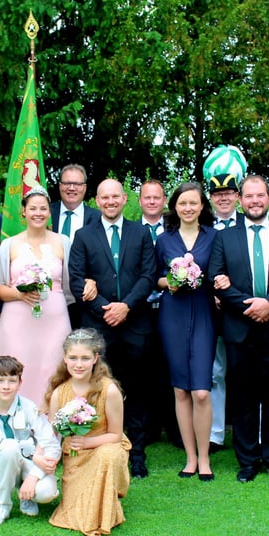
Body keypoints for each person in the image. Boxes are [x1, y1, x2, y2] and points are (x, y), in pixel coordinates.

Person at [209, 175, 269, 483]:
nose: (254, 201)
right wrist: (251, 306)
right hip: (240, 328)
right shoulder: (224, 237)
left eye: (259, 195)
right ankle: (248, 460)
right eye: (248, 196)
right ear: (240, 200)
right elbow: (217, 276)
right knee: (243, 398)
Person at [68, 179, 157, 478]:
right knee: (100, 392)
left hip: (135, 325)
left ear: (124, 199)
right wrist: (106, 308)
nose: (110, 202)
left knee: (137, 391)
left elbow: (148, 275)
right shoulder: (83, 236)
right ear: (97, 200)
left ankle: (138, 455)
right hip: (99, 327)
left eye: (115, 197)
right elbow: (77, 279)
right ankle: (99, 452)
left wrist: (126, 306)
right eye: (104, 197)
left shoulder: (141, 233)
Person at [0, 187, 79, 408]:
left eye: (43, 208)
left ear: (49, 212)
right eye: (33, 208)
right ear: (24, 211)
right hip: (17, 320)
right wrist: (19, 294)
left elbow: (72, 284)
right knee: (13, 369)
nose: (38, 213)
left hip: (54, 320)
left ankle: (54, 426)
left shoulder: (63, 242)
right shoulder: (9, 245)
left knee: (52, 368)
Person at [155, 182, 218, 480]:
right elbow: (155, 278)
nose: (188, 208)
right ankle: (190, 458)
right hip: (173, 314)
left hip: (204, 312)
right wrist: (171, 280)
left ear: (202, 206)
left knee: (202, 391)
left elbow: (220, 273)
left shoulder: (214, 238)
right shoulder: (164, 240)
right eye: (183, 203)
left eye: (194, 203)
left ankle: (205, 458)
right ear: (175, 207)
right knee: (181, 389)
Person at [47, 329, 131, 536]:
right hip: (75, 455)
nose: (79, 364)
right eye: (73, 358)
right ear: (65, 358)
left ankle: (103, 513)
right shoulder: (60, 393)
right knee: (74, 511)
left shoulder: (108, 391)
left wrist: (87, 442)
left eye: (85, 358)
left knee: (107, 455)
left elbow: (116, 435)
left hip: (106, 446)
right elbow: (50, 434)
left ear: (95, 359)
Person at [0, 356, 61, 529]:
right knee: (9, 446)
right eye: (0, 380)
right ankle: (1, 506)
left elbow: (52, 445)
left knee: (47, 492)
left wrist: (33, 478)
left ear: (20, 383)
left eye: (12, 380)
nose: (6, 386)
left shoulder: (30, 407)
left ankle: (27, 497)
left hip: (29, 463)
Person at [202, 145, 248, 453]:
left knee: (245, 373)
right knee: (215, 372)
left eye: (229, 192)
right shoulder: (202, 228)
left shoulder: (250, 225)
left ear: (238, 195)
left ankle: (248, 433)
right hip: (210, 310)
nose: (224, 198)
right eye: (218, 193)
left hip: (243, 311)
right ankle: (215, 433)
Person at [139, 180, 180, 448]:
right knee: (146, 369)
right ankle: (149, 427)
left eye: (157, 198)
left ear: (164, 199)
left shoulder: (175, 230)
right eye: (147, 198)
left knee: (171, 367)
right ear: (140, 201)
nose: (152, 202)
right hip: (142, 308)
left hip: (171, 306)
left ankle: (175, 428)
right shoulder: (131, 230)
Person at [50, 164, 101, 327]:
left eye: (77, 184)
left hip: (86, 297)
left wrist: (93, 281)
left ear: (85, 188)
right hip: (50, 295)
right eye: (67, 183)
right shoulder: (45, 214)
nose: (72, 188)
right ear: (60, 186)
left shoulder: (98, 218)